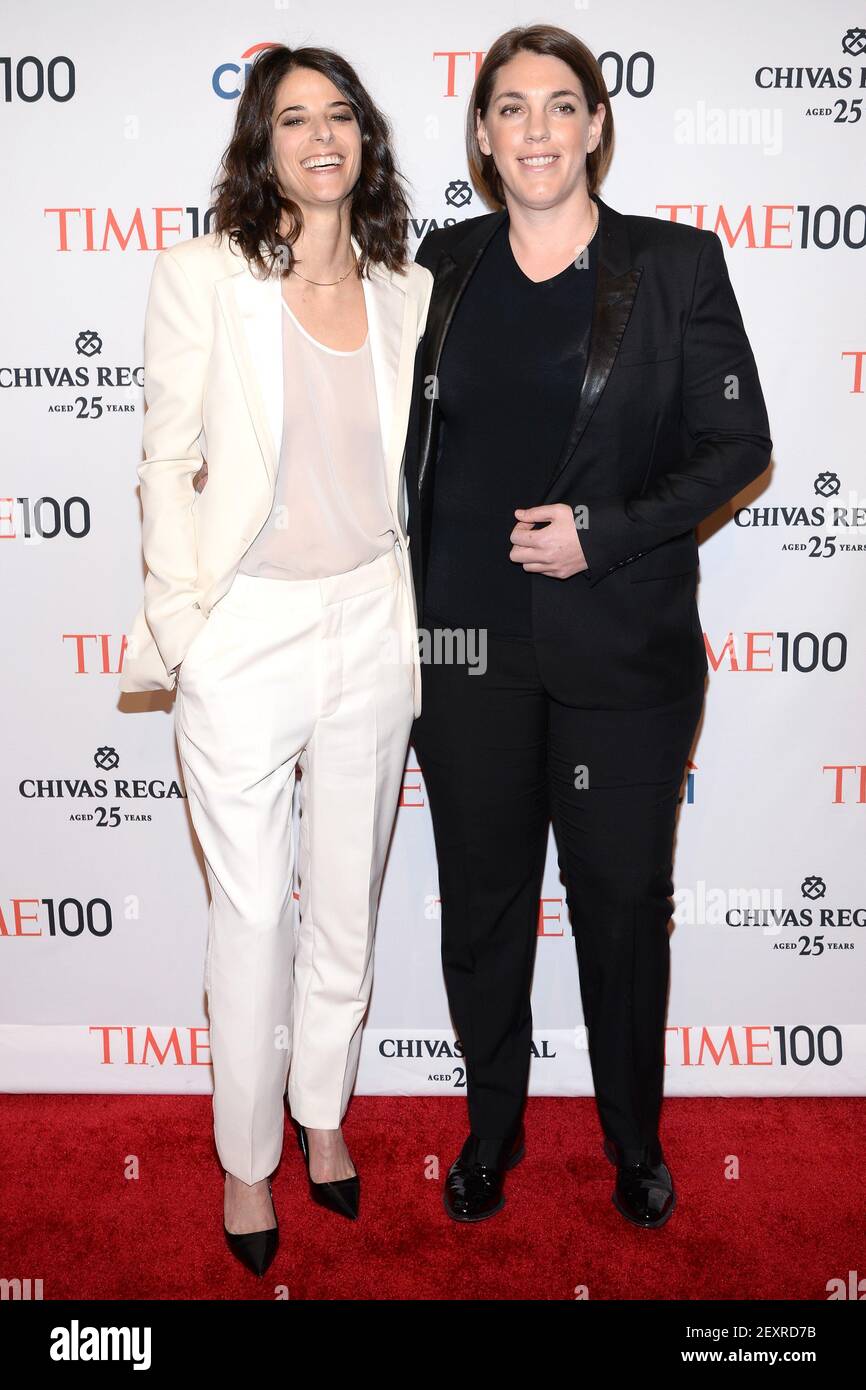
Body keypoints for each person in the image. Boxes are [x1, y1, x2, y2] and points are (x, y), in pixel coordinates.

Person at [405, 24, 772, 1227]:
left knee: (619, 909)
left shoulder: (672, 265)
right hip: (464, 649)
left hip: (620, 650)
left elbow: (738, 446)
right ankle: (489, 1131)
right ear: (480, 134)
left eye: (561, 106)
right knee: (485, 904)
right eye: (510, 108)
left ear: (597, 125)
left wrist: (598, 530)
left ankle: (632, 1143)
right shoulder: (439, 268)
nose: (537, 131)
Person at [119, 44, 432, 1274]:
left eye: (339, 116)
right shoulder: (204, 274)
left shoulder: (404, 288)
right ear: (261, 141)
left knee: (345, 898)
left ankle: (322, 1115)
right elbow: (161, 460)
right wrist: (186, 626)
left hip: (370, 617)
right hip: (243, 628)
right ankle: (248, 1159)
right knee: (251, 913)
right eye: (293, 118)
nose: (320, 137)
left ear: (364, 139)